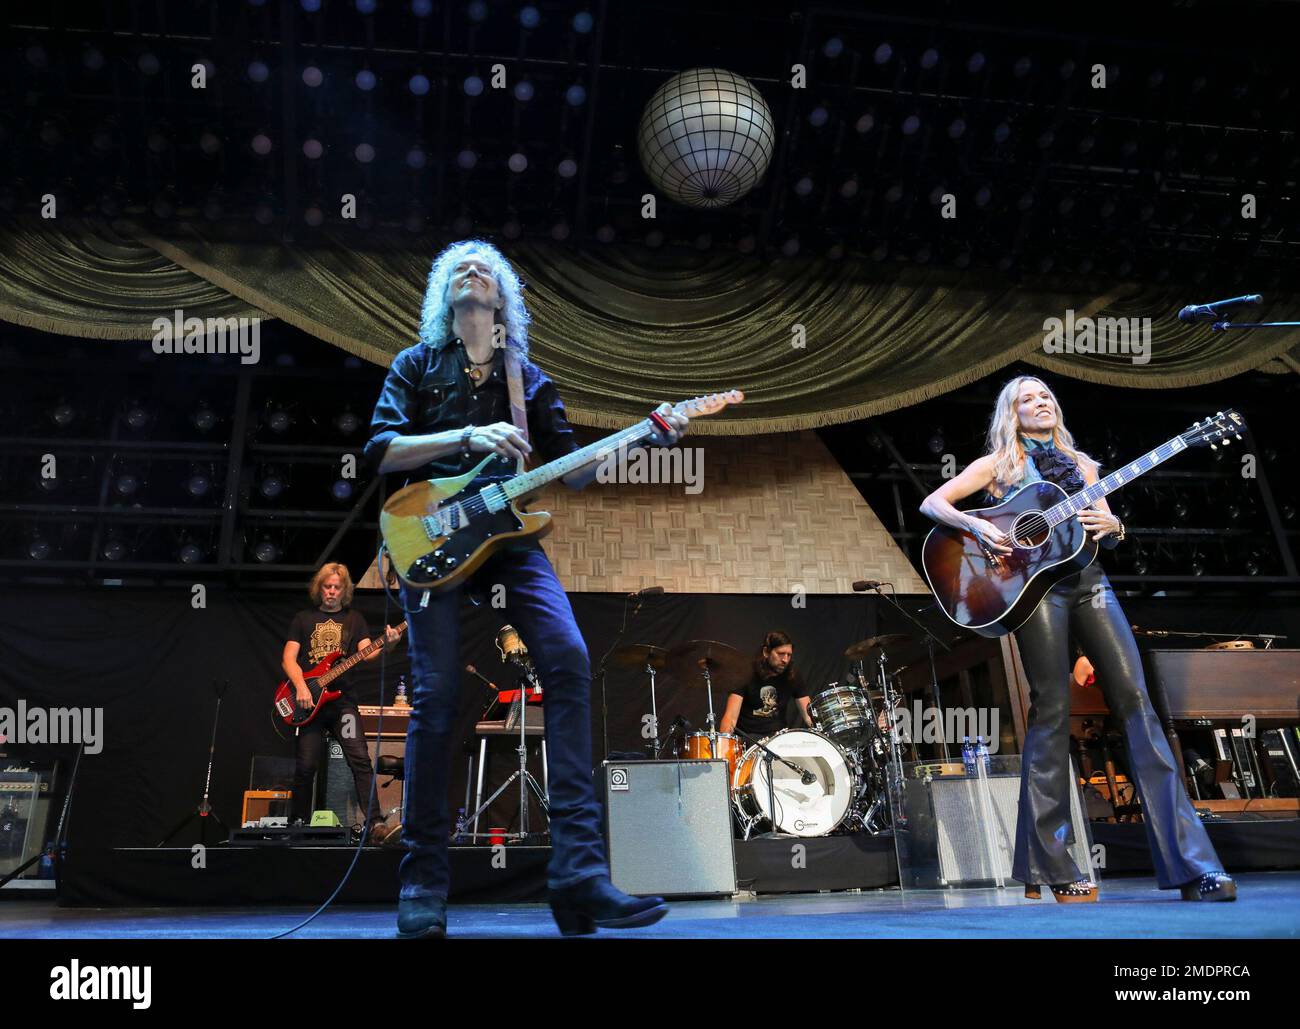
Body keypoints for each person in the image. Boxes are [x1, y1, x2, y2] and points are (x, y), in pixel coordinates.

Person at [365, 239, 689, 938]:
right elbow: (381, 450)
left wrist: (644, 435)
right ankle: (423, 877)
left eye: (484, 266)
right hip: (429, 539)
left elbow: (572, 470)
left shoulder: (528, 379)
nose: (471, 268)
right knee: (437, 694)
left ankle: (578, 873)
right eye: (457, 265)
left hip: (508, 541)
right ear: (443, 297)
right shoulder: (416, 366)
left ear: (502, 297)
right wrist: (468, 434)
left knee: (568, 659)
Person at [918, 375, 1236, 903]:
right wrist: (978, 528)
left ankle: (1193, 865)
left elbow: (1103, 520)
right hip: (1035, 591)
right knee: (1051, 711)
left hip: (1091, 583)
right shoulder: (999, 465)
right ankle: (1054, 866)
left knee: (1137, 703)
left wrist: (1115, 526)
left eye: (1045, 395)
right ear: (1011, 414)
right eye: (1027, 399)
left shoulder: (1084, 464)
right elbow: (934, 504)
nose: (1040, 402)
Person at [283, 562, 402, 840]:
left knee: (361, 760)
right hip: (308, 702)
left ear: (344, 590)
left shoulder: (355, 620)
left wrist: (390, 643)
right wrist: (301, 686)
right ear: (319, 588)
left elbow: (368, 653)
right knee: (305, 766)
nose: (332, 591)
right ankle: (297, 823)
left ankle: (374, 825)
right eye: (327, 586)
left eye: (337, 587)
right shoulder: (303, 619)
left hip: (342, 702)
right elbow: (289, 658)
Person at [719, 630, 811, 739]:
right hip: (749, 740)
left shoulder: (792, 675)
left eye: (789, 655)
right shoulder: (745, 673)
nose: (785, 660)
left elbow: (809, 715)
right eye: (781, 654)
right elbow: (730, 718)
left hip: (779, 740)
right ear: (766, 652)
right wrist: (724, 744)